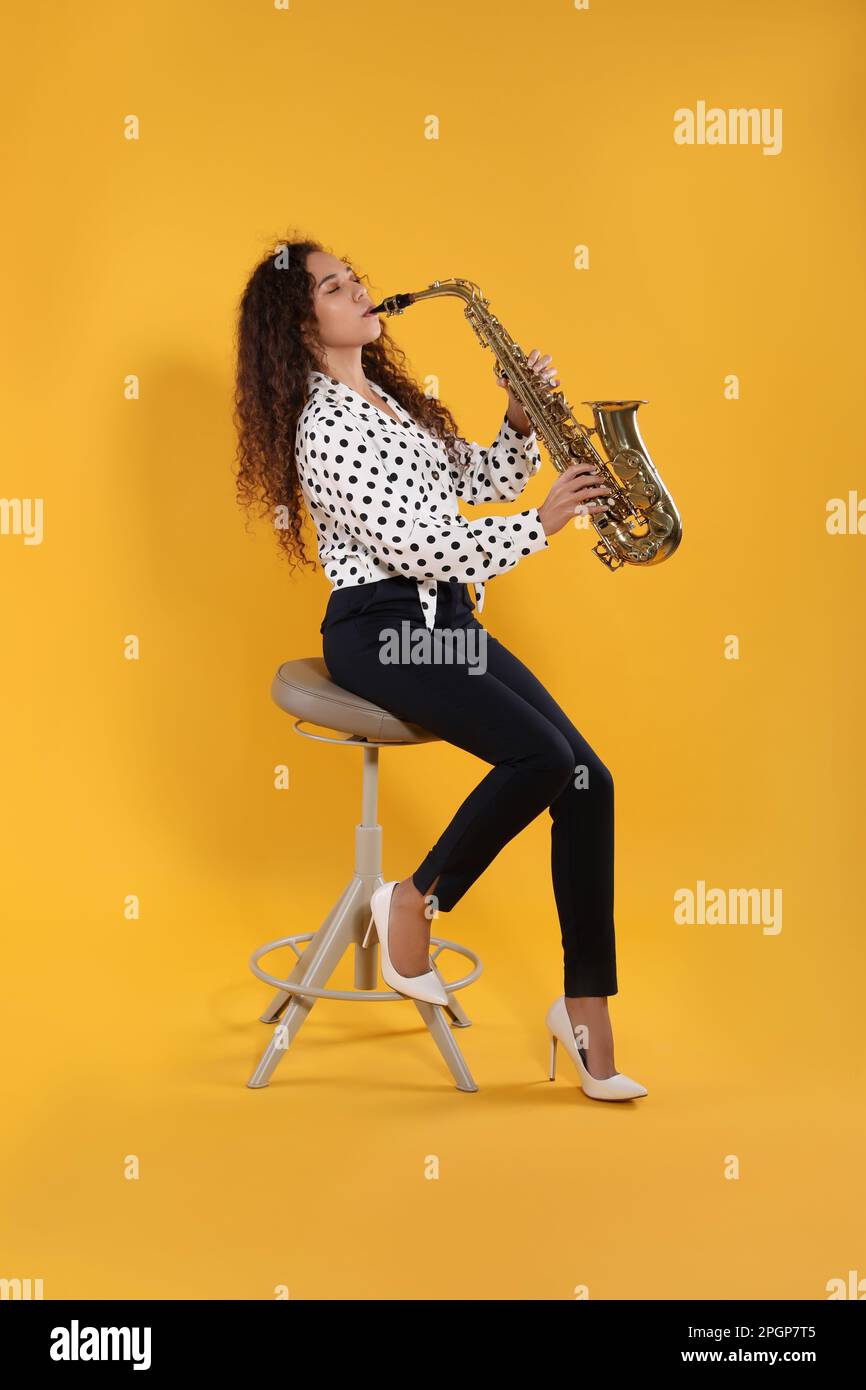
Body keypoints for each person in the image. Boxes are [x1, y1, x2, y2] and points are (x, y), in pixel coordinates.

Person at [233, 236, 647, 1101]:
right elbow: (425, 543)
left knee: (587, 780)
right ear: (302, 328)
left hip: (441, 621)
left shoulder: (387, 401)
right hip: (380, 630)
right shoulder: (324, 429)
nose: (360, 291)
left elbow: (477, 477)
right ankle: (413, 901)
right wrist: (542, 525)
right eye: (335, 287)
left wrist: (521, 425)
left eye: (353, 278)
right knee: (538, 757)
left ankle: (583, 1014)